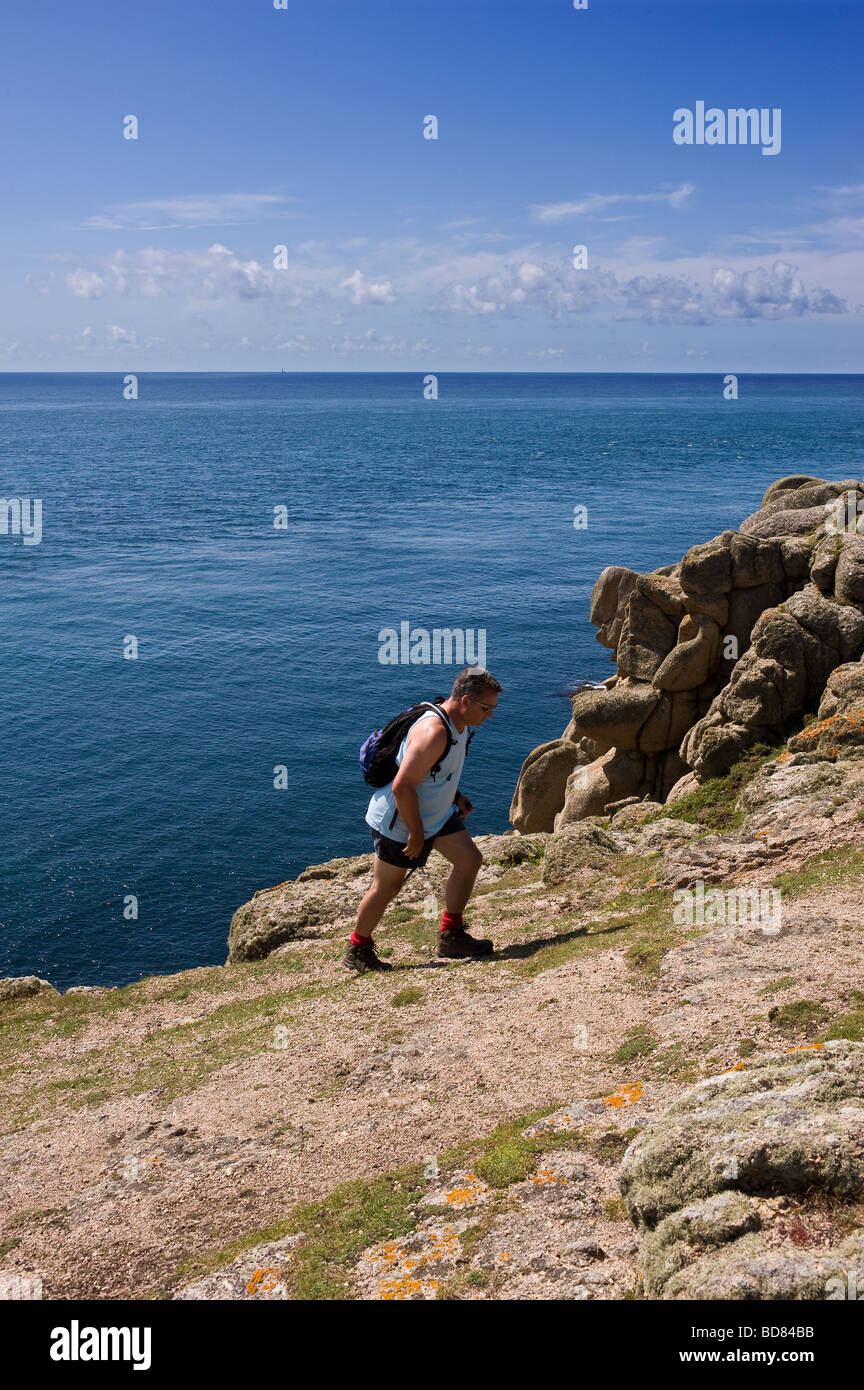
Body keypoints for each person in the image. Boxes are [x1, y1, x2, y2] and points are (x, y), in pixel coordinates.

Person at [344, 666, 502, 974]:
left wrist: (455, 797)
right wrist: (416, 834)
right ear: (466, 701)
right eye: (487, 708)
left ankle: (451, 936)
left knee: (469, 860)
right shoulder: (434, 732)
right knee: (387, 887)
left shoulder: (461, 723)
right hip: (400, 821)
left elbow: (436, 771)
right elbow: (403, 786)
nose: (491, 715)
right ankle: (358, 949)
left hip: (435, 814)